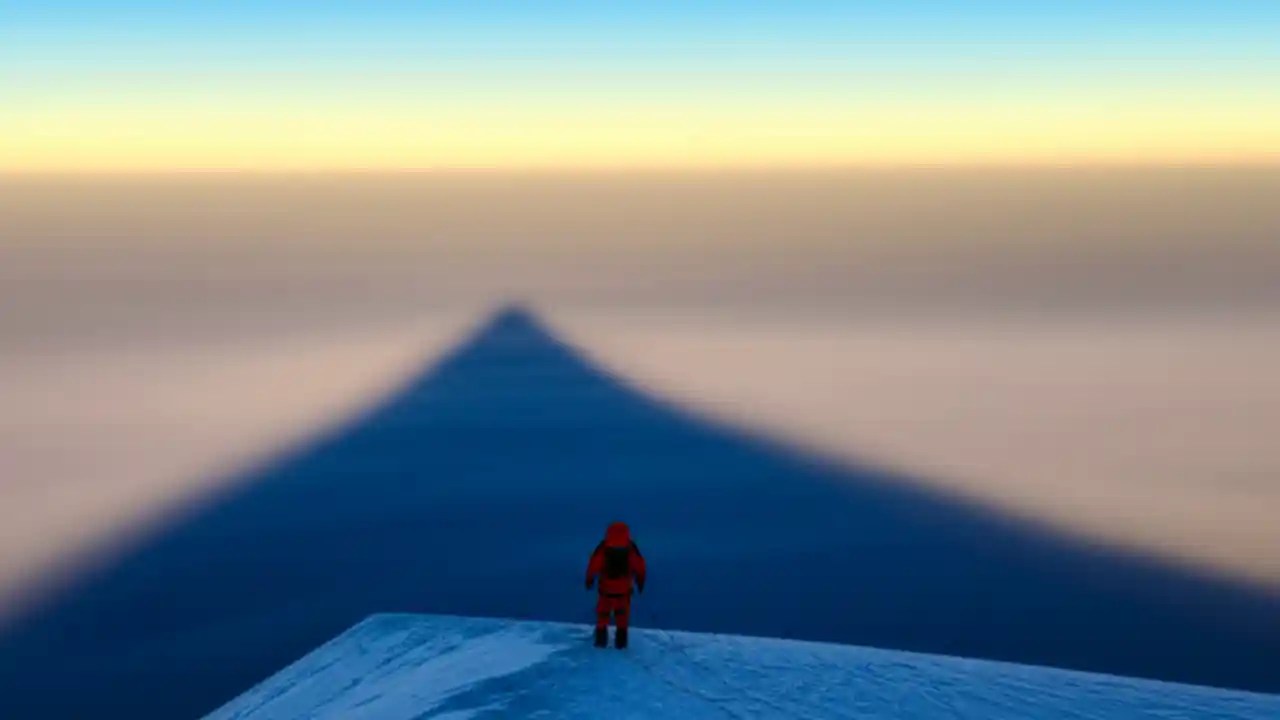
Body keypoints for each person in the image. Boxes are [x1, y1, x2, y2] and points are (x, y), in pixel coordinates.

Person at [585, 521, 647, 649]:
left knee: (602, 617)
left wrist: (589, 579)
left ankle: (600, 643)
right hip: (623, 591)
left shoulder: (604, 547)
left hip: (606, 590)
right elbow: (640, 566)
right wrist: (640, 582)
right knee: (622, 619)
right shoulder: (630, 548)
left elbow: (594, 565)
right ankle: (621, 645)